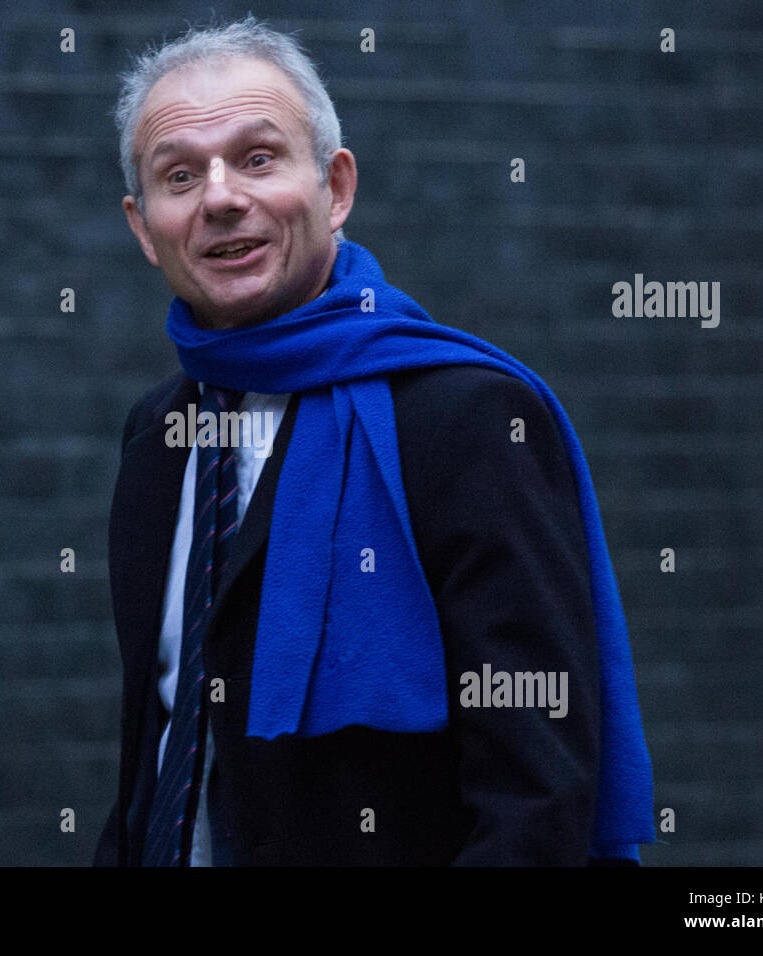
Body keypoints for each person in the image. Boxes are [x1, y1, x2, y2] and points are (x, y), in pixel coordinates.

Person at [95, 15, 653, 866]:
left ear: (337, 186)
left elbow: (537, 791)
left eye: (257, 157)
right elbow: (159, 746)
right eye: (180, 175)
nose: (218, 198)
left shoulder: (465, 418)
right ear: (144, 227)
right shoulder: (158, 434)